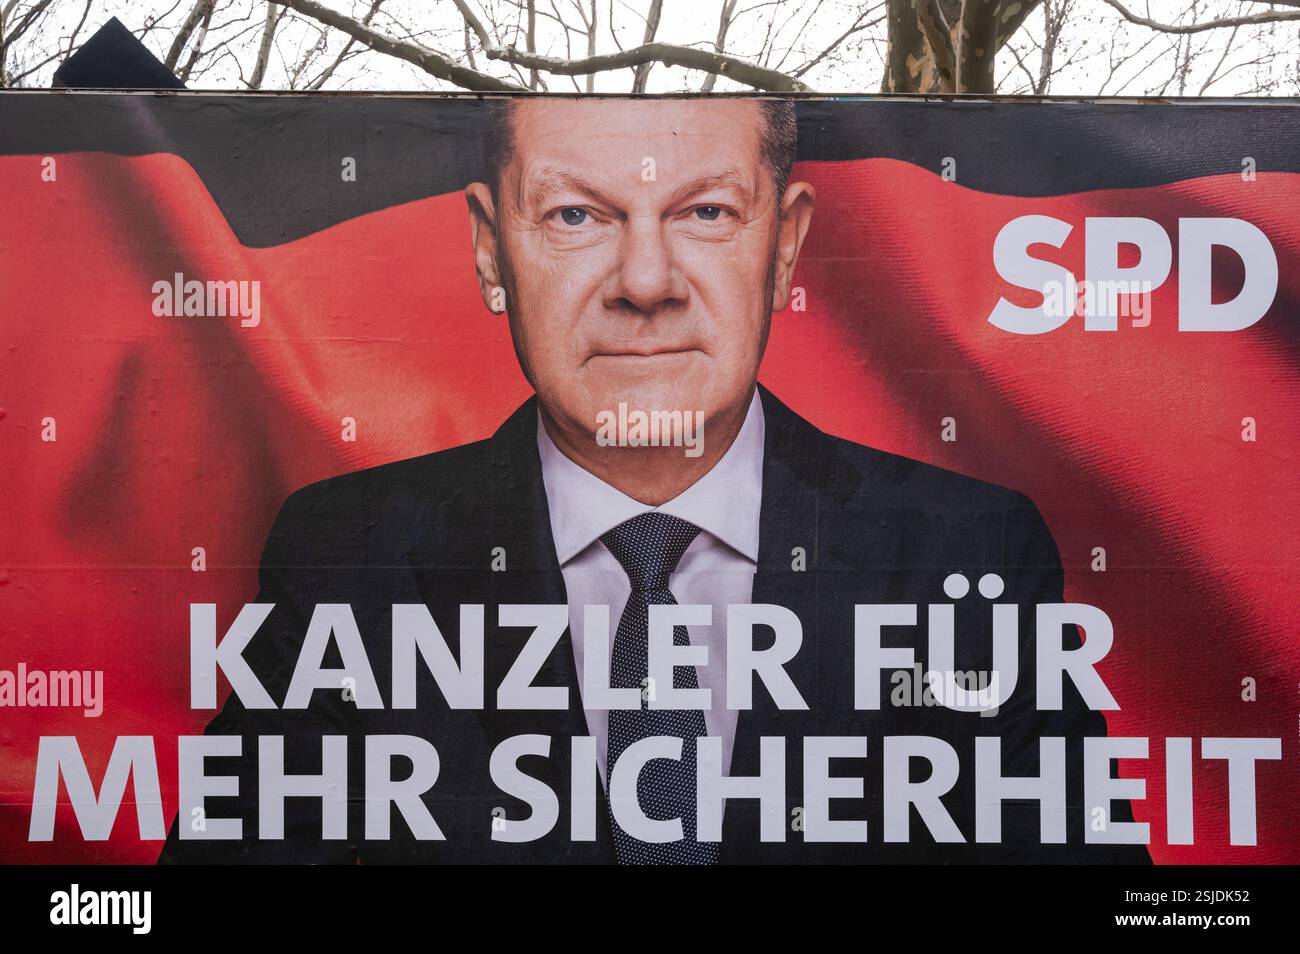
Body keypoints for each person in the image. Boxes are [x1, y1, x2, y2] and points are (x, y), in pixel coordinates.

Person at [160, 97, 1147, 864]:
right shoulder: (352, 560)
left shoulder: (963, 556)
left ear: (785, 244)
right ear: (488, 246)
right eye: (577, 213)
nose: (644, 280)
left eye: (706, 211)